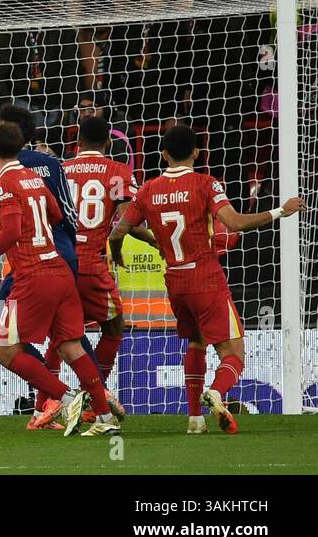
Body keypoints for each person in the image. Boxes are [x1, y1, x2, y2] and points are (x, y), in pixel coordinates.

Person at [109, 123, 307, 435]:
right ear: (197, 153)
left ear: (163, 154)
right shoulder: (204, 183)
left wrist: (130, 248)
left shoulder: (147, 189)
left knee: (197, 342)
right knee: (234, 352)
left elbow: (120, 228)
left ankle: (194, 419)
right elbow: (235, 222)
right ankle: (216, 392)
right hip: (205, 278)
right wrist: (282, 211)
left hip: (174, 281)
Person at [0, 119, 117, 438]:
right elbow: (57, 215)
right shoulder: (32, 178)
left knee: (7, 352)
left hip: (31, 276)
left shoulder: (1, 185)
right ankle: (104, 416)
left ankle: (68, 398)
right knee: (72, 346)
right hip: (59, 269)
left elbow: (12, 232)